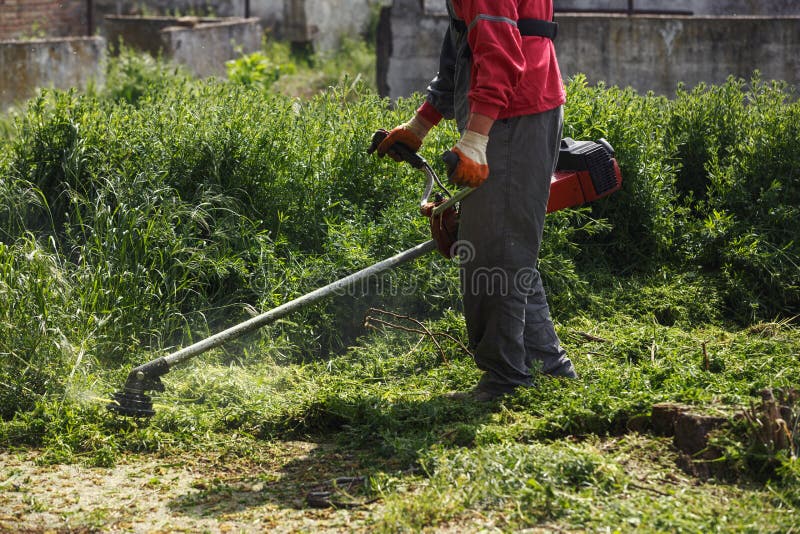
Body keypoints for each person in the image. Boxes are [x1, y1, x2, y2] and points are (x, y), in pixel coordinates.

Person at [376, 0, 576, 401]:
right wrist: (421, 124)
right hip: (514, 111)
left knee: (492, 254)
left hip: (511, 115)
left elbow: (500, 54)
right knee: (506, 249)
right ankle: (546, 366)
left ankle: (506, 379)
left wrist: (476, 138)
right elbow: (463, 49)